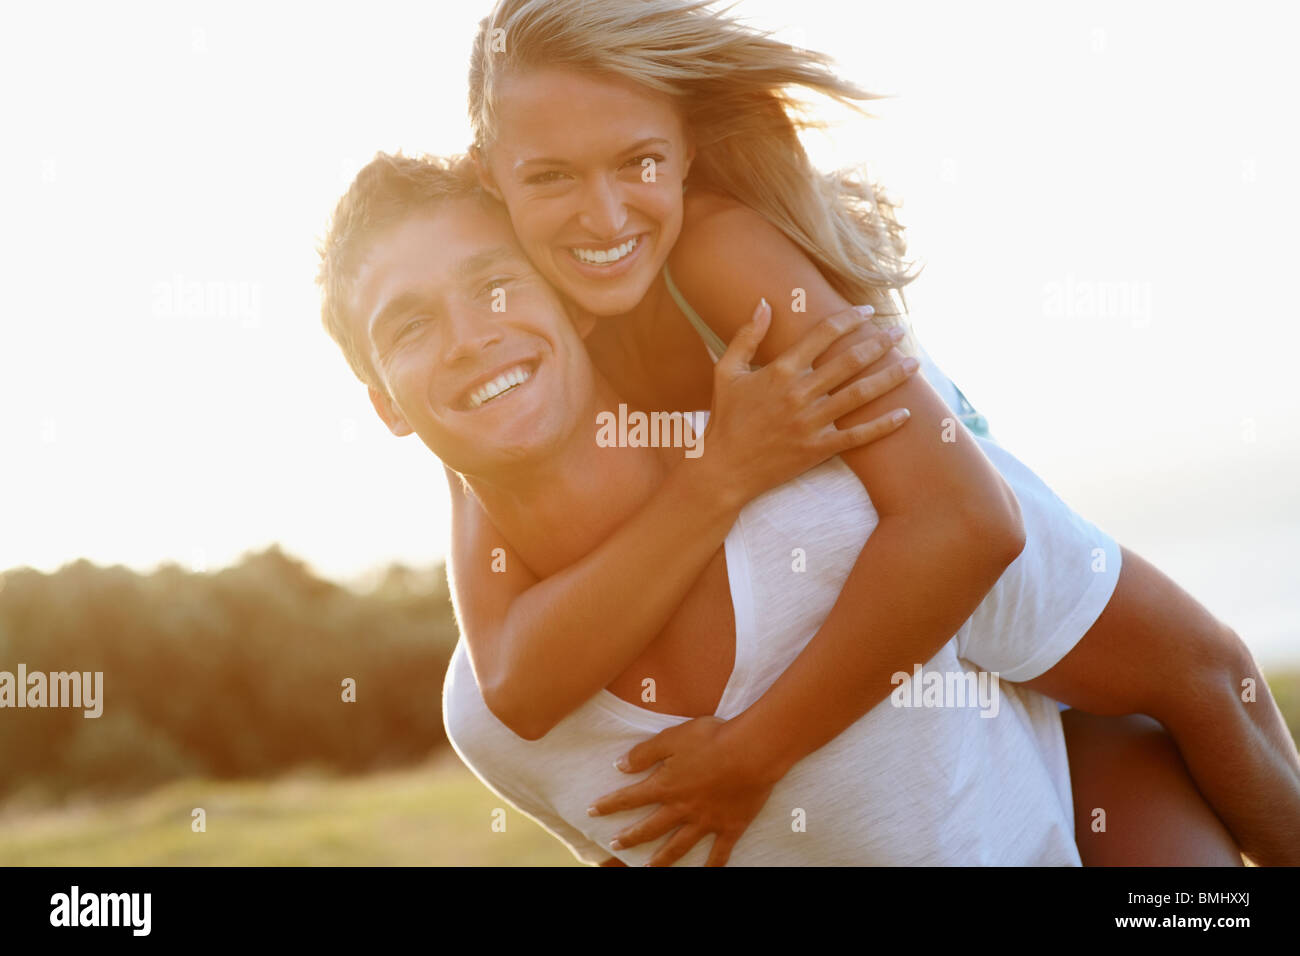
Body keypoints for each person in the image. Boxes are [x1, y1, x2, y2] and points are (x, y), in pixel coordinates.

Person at [439, 0, 1300, 864]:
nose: (605, 216)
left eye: (640, 162)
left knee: (1208, 675)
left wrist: (752, 752)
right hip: (899, 610)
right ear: (488, 174)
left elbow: (967, 523)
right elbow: (510, 673)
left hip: (942, 484)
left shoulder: (716, 250)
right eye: (551, 177)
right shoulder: (500, 334)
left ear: (686, 150)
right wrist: (723, 471)